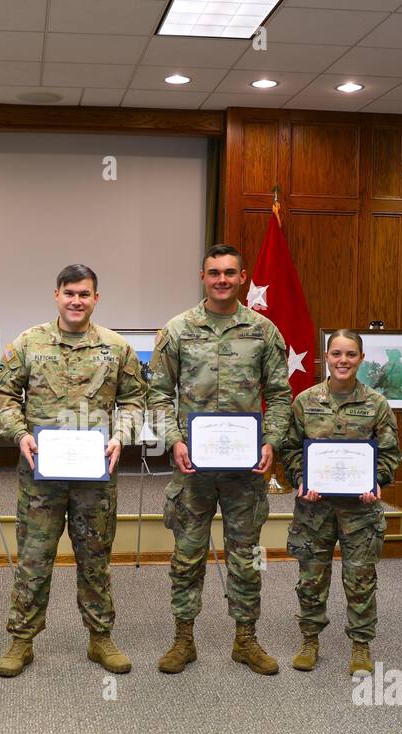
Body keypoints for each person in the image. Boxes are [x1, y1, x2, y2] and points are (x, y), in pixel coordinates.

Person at [0, 264, 146, 678]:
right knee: (34, 558)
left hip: (95, 477)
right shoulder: (29, 343)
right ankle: (21, 639)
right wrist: (20, 434)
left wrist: (121, 436)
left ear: (96, 298)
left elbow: (133, 400)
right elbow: (4, 397)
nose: (76, 301)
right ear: (56, 295)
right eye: (69, 293)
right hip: (40, 476)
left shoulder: (116, 348)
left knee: (95, 558)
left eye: (84, 294)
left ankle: (100, 638)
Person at [147, 244, 292, 675]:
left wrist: (271, 441)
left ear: (243, 277)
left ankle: (245, 639)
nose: (222, 279)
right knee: (187, 557)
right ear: (202, 276)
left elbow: (281, 395)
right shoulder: (177, 330)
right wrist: (174, 440)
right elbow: (157, 395)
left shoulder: (263, 331)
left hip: (245, 472)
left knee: (245, 556)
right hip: (193, 469)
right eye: (214, 272)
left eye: (230, 272)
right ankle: (183, 639)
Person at [281, 329, 400, 675]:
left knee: (360, 579)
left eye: (350, 354)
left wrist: (376, 481)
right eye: (336, 354)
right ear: (326, 358)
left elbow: (390, 454)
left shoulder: (376, 404)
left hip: (360, 511)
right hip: (313, 509)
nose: (343, 361)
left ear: (361, 358)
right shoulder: (305, 401)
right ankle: (310, 639)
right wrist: (301, 480)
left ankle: (360, 646)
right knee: (311, 577)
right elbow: (290, 449)